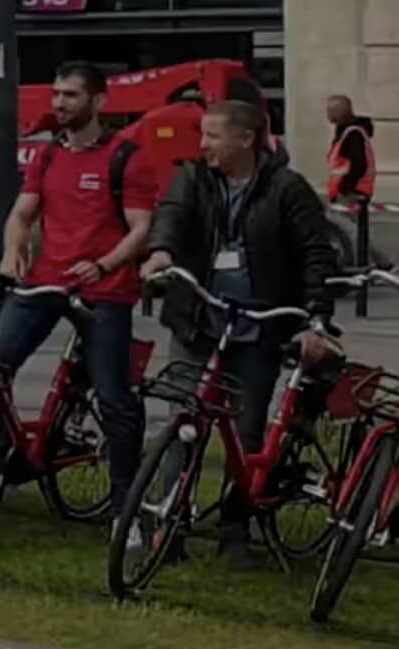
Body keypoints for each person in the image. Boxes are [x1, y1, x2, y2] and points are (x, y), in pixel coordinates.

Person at [140, 99, 342, 561]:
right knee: (182, 421)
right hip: (199, 323)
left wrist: (316, 318)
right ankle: (169, 527)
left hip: (258, 330)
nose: (203, 144)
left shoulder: (287, 189)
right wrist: (161, 252)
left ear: (246, 138)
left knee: (246, 431)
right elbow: (171, 216)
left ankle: (236, 531)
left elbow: (316, 254)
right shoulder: (193, 179)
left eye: (212, 135)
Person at [0, 63, 155, 498]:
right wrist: (12, 251)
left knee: (114, 397)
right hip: (45, 281)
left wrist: (103, 264)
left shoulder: (125, 157)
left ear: (98, 101)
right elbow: (23, 213)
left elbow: (141, 229)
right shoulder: (49, 154)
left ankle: (126, 505)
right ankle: (3, 462)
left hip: (103, 292)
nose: (59, 103)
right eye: (56, 94)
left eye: (71, 96)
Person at [325, 94, 378, 269]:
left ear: (340, 111)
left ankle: (369, 264)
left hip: (352, 191)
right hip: (350, 190)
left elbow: (358, 164)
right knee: (356, 230)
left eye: (330, 110)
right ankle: (382, 264)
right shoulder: (348, 131)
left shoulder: (352, 134)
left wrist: (344, 187)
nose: (327, 114)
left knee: (351, 231)